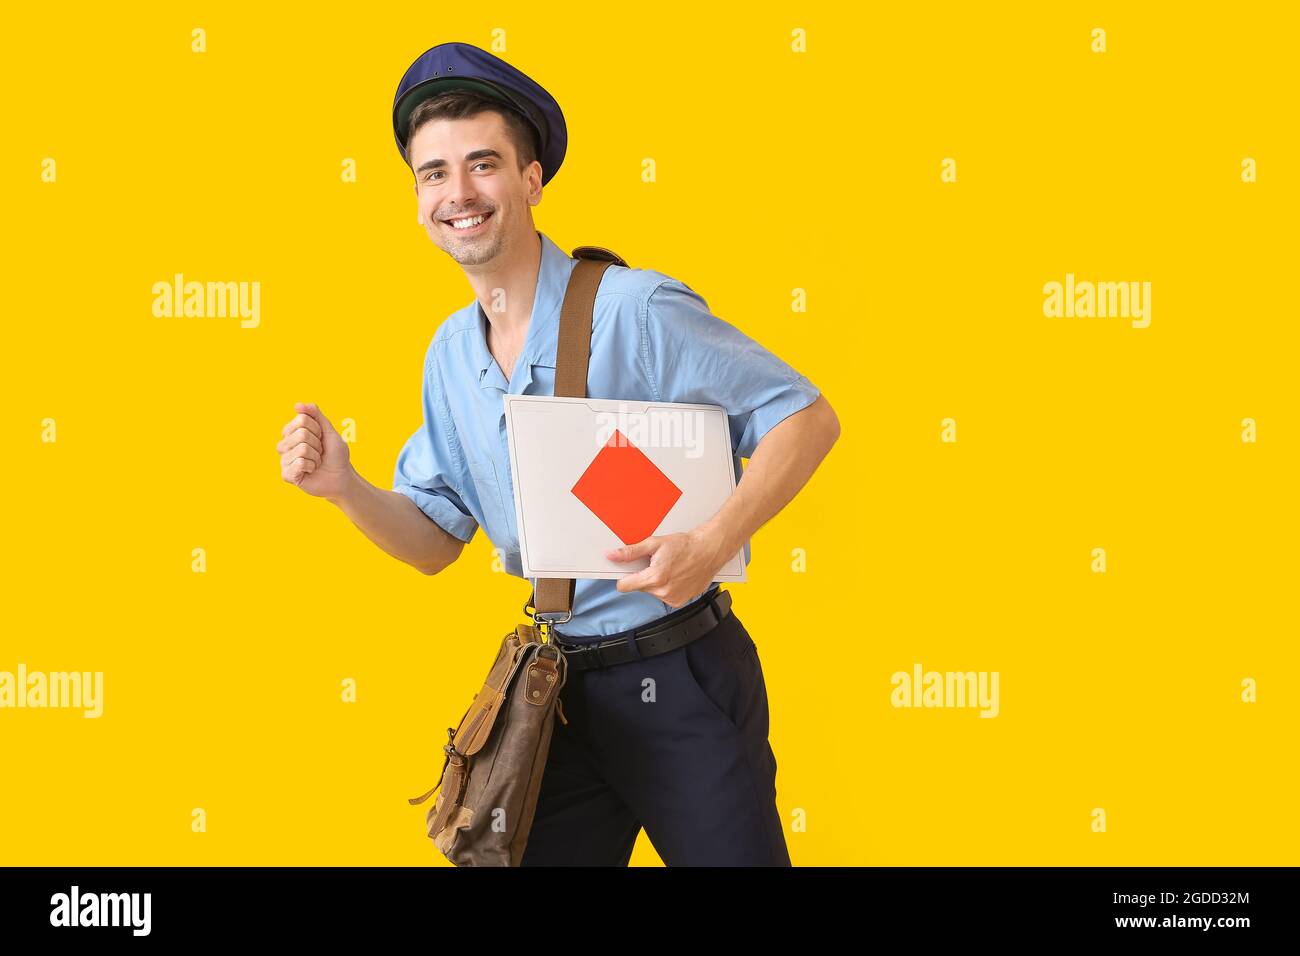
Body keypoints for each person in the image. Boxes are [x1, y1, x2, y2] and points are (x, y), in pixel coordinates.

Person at [275, 42, 840, 865]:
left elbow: (805, 417)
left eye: (482, 165)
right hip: (555, 696)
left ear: (532, 181)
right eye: (433, 174)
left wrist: (714, 542)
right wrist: (345, 487)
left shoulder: (634, 310)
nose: (458, 194)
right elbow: (436, 544)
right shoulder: (447, 357)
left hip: (681, 675)